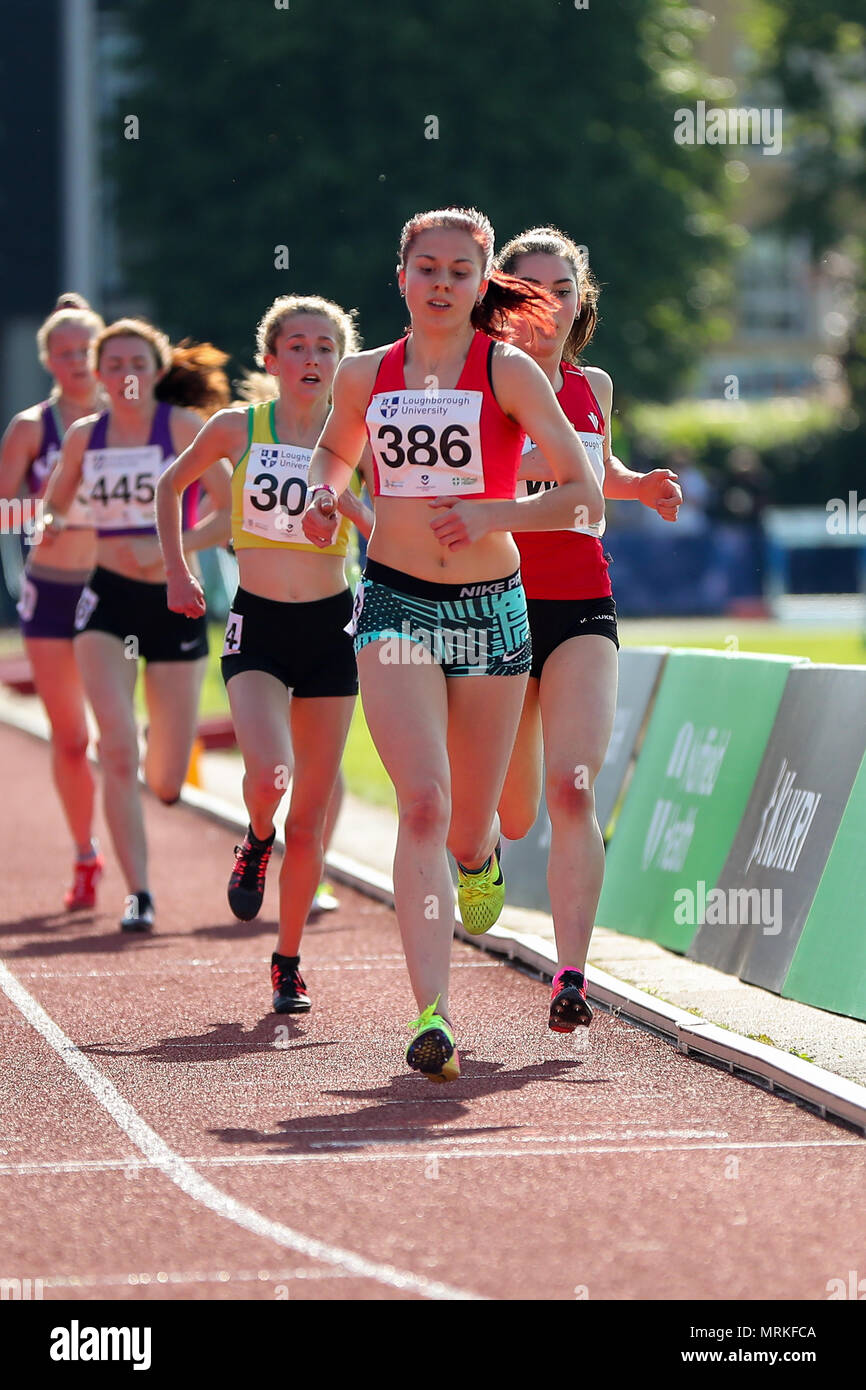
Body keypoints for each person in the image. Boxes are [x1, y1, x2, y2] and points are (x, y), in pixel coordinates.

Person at [302, 206, 604, 1082]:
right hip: (394, 602)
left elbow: (581, 496)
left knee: (470, 825)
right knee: (423, 804)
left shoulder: (508, 371)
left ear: (481, 284)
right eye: (426, 268)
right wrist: (326, 492)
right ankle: (431, 1013)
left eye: (459, 271)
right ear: (401, 277)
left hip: (492, 608)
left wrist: (492, 511)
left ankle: (481, 858)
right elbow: (334, 454)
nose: (441, 283)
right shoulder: (366, 374)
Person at [157, 295, 373, 1012]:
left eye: (325, 348)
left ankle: (288, 962)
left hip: (331, 628)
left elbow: (384, 524)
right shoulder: (237, 427)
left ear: (340, 362)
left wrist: (348, 509)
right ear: (272, 359)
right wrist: (178, 570)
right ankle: (254, 837)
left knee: (310, 816)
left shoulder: (360, 436)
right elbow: (170, 486)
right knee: (270, 775)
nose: (312, 360)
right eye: (298, 347)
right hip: (258, 624)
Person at [495, 226, 681, 1031]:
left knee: (574, 788)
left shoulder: (592, 385)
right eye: (529, 290)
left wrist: (640, 487)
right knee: (506, 816)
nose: (548, 306)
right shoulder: (480, 386)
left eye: (562, 291)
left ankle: (573, 975)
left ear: (582, 303)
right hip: (492, 605)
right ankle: (476, 859)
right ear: (503, 303)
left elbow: (595, 476)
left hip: (581, 604)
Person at [41, 318, 232, 933]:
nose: (126, 375)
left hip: (174, 600)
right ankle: (139, 893)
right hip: (106, 602)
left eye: (137, 363)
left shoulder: (180, 428)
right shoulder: (83, 436)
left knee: (167, 779)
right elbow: (55, 500)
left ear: (156, 371)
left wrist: (174, 547)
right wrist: (50, 522)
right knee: (115, 750)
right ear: (98, 374)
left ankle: (160, 750)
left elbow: (231, 514)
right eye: (114, 364)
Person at [0, 294, 106, 910]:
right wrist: (45, 515)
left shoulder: (129, 422)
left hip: (113, 591)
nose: (76, 362)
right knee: (70, 739)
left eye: (86, 351)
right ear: (47, 360)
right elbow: (2, 509)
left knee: (116, 740)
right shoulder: (29, 428)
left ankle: (137, 873)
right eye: (63, 353)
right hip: (52, 591)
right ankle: (84, 852)